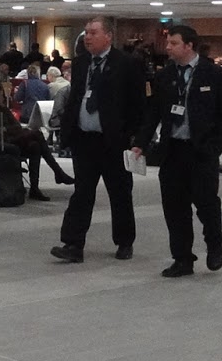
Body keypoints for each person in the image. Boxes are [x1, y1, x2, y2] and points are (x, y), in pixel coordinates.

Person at [133, 24, 222, 278]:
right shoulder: (165, 76)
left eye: (174, 43)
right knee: (174, 208)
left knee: (206, 203)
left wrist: (214, 146)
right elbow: (153, 113)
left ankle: (214, 242)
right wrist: (141, 142)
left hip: (201, 151)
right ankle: (182, 258)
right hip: (172, 150)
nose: (167, 47)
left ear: (189, 45)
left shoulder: (214, 75)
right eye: (168, 43)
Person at [50, 16, 148, 264]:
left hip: (113, 141)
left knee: (120, 192)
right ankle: (73, 243)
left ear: (108, 36)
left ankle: (124, 241)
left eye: (93, 32)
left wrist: (131, 135)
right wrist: (67, 131)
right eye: (86, 33)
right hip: (85, 140)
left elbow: (138, 104)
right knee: (82, 193)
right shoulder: (81, 63)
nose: (88, 37)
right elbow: (75, 99)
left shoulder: (126, 64)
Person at [0, 80, 74, 201]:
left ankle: (36, 187)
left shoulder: (3, 110)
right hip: (1, 143)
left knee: (35, 145)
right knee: (37, 135)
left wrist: (5, 129)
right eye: (0, 95)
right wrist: (5, 130)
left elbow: (16, 127)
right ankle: (57, 172)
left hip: (11, 138)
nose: (3, 98)